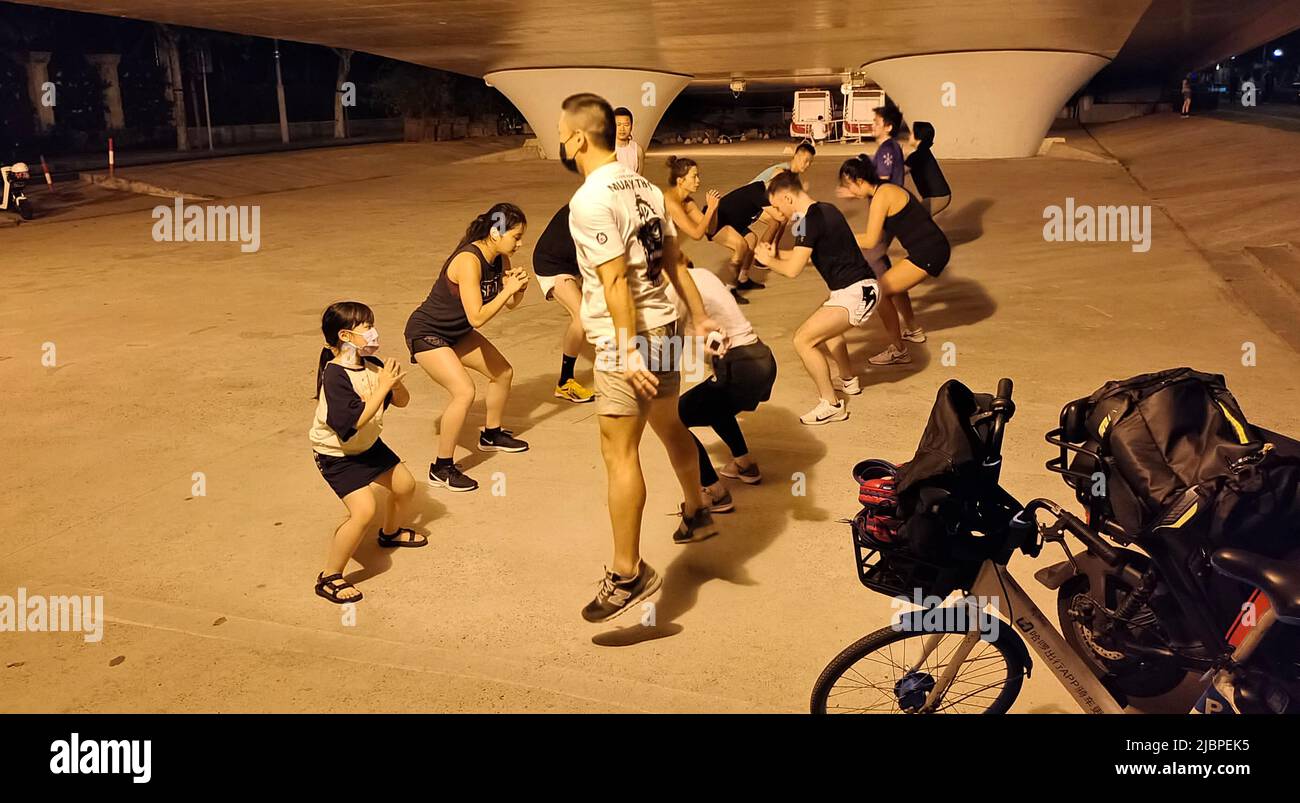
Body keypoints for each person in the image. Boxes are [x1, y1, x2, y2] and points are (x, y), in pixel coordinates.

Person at [557, 92, 723, 622]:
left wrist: (625, 350)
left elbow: (613, 283)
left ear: (579, 138)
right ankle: (698, 509)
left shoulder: (590, 198)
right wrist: (700, 317)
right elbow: (674, 260)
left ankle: (627, 574)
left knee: (619, 454)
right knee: (670, 424)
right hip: (666, 325)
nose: (559, 140)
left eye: (562, 131)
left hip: (628, 341)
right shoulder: (646, 186)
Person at [404, 203, 531, 493]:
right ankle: (442, 467)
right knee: (464, 391)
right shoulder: (468, 261)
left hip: (457, 332)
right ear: (495, 233)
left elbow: (508, 305)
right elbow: (478, 317)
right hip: (428, 333)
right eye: (516, 236)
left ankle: (491, 434)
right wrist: (507, 291)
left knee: (502, 372)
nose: (520, 243)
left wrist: (516, 291)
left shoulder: (499, 259)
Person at [310, 301, 422, 604]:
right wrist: (382, 388)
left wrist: (393, 386)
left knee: (405, 485)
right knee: (363, 511)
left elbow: (402, 402)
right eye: (367, 328)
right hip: (337, 454)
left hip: (368, 446)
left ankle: (390, 532)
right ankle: (330, 576)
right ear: (345, 336)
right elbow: (354, 422)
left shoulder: (373, 367)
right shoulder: (335, 376)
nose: (374, 333)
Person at [754, 171, 878, 425]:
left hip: (857, 292)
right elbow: (803, 254)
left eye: (778, 206)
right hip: (855, 289)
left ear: (788, 197)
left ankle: (831, 404)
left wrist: (769, 261)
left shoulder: (809, 220)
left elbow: (792, 270)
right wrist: (774, 255)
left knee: (803, 340)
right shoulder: (821, 211)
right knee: (828, 329)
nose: (779, 213)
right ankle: (849, 380)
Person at [669, 265, 777, 512]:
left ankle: (713, 491)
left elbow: (668, 345)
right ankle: (745, 464)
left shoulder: (674, 289)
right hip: (761, 357)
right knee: (715, 404)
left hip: (739, 366)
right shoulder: (703, 274)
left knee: (674, 419)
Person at [837, 154, 951, 366]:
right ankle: (913, 330)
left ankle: (898, 351)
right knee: (895, 286)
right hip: (931, 248)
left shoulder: (882, 196)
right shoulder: (883, 190)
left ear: (860, 181)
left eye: (849, 185)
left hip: (929, 252)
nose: (849, 191)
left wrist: (839, 237)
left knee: (880, 292)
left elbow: (871, 240)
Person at [856, 104, 927, 364]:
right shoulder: (890, 149)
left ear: (887, 126)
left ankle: (896, 344)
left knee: (874, 266)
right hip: (885, 215)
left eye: (876, 121)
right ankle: (911, 327)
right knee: (883, 270)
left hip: (886, 217)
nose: (872, 124)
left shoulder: (888, 148)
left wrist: (860, 181)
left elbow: (883, 180)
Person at [532, 203, 597, 403]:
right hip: (553, 264)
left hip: (575, 262)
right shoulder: (593, 205)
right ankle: (565, 382)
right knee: (582, 316)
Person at [905, 121, 951, 217]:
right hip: (937, 195)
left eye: (912, 132)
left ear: (919, 136)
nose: (909, 135)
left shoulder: (917, 155)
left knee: (916, 219)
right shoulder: (923, 151)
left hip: (938, 196)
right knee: (919, 220)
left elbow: (899, 172)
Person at [613, 106, 645, 174]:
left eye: (626, 125)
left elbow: (639, 178)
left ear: (631, 126)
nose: (622, 128)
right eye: (618, 125)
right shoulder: (605, 150)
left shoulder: (638, 150)